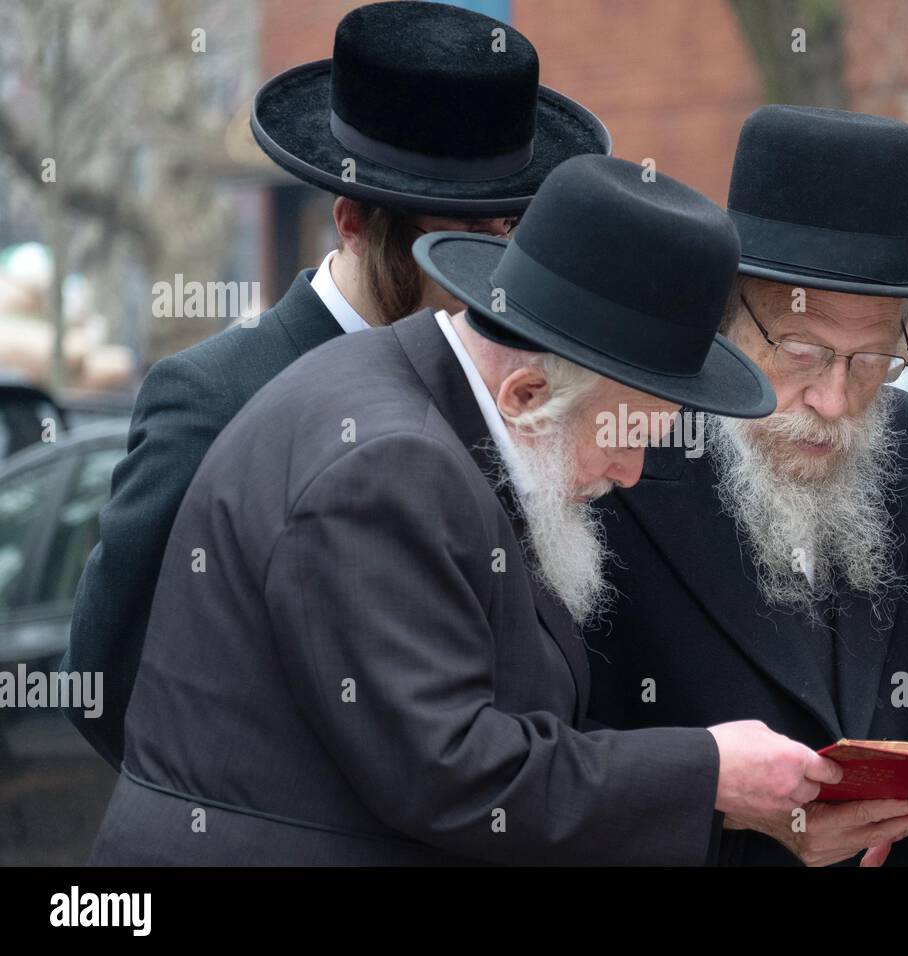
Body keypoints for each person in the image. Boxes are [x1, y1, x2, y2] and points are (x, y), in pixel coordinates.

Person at [88, 154, 843, 865]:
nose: (631, 471)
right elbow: (449, 772)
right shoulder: (389, 467)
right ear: (525, 396)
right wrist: (707, 773)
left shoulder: (428, 401)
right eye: (627, 433)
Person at [64, 0, 611, 768]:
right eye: (455, 241)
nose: (489, 279)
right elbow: (104, 681)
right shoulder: (217, 393)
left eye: (507, 236)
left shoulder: (515, 391)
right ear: (352, 222)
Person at [585, 106, 908, 867]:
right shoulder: (621, 464)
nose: (833, 400)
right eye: (801, 351)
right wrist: (726, 811)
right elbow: (561, 748)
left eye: (869, 362)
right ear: (726, 319)